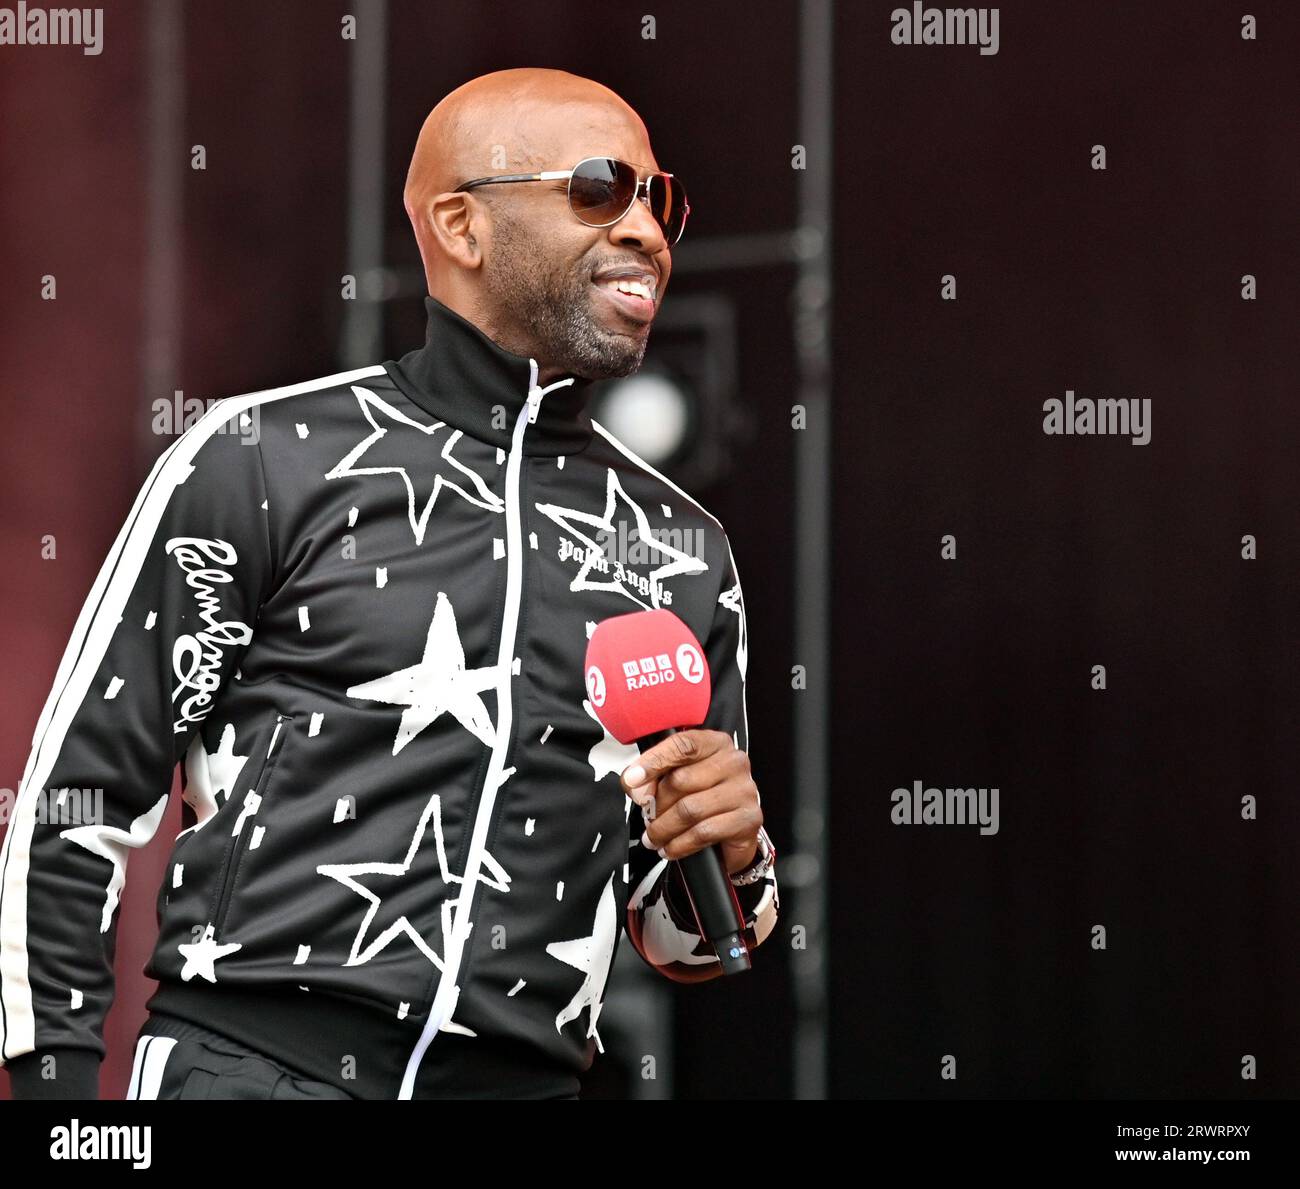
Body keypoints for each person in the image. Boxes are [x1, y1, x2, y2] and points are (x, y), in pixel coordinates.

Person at [0, 66, 778, 1101]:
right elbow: (76, 803)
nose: (646, 229)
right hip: (253, 1069)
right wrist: (56, 1097)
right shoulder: (264, 457)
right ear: (460, 225)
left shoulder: (681, 545)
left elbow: (674, 938)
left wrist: (735, 858)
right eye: (600, 188)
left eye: (659, 199)